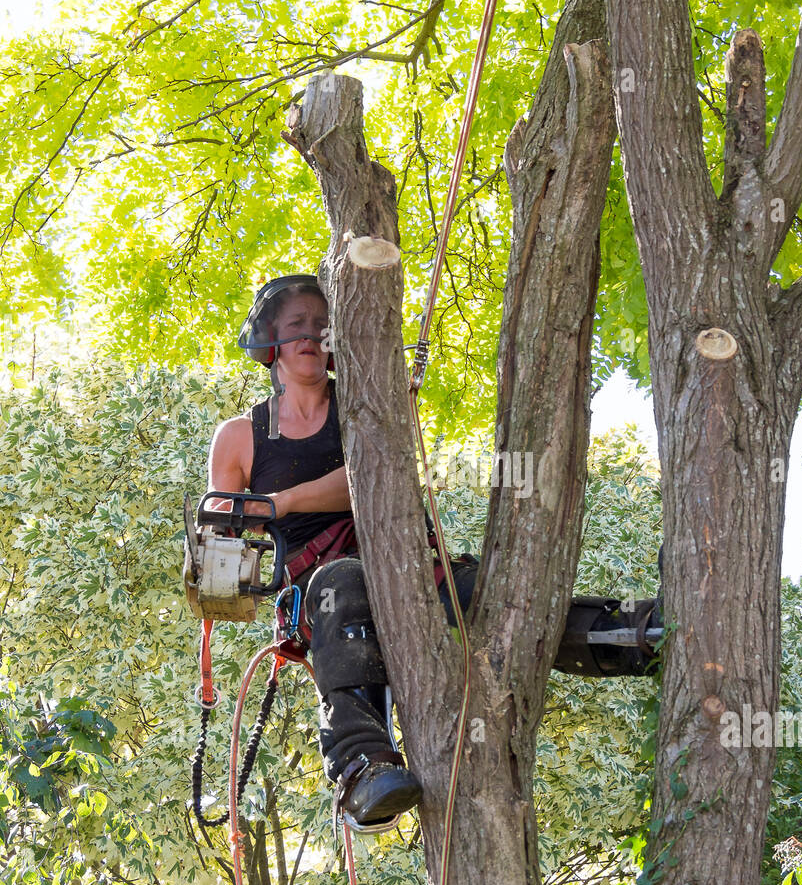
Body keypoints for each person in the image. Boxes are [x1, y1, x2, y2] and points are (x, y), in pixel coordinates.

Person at [208, 274, 661, 832]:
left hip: (406, 564)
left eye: (322, 325)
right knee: (342, 584)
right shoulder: (240, 436)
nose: (310, 334)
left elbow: (372, 476)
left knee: (486, 596)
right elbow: (222, 538)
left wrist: (279, 502)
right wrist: (224, 545)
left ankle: (628, 636)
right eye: (295, 324)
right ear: (270, 339)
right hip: (323, 591)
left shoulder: (369, 407)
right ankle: (361, 764)